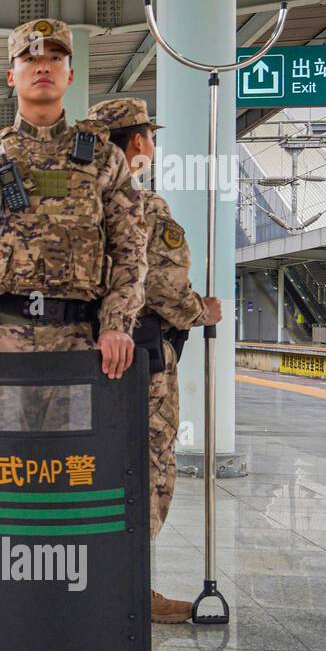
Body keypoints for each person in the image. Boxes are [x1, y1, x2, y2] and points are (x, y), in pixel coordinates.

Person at [0, 18, 146, 405]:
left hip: (82, 344)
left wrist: (117, 326)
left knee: (75, 462)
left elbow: (130, 251)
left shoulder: (104, 159)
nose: (43, 66)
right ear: (11, 75)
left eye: (55, 58)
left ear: (71, 75)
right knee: (2, 463)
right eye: (30, 59)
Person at [87, 97, 223, 623]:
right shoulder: (145, 207)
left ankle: (82, 576)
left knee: (92, 466)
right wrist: (201, 311)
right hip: (142, 359)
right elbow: (165, 290)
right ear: (138, 142)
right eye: (149, 135)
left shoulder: (77, 204)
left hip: (81, 355)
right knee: (148, 467)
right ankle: (128, 588)